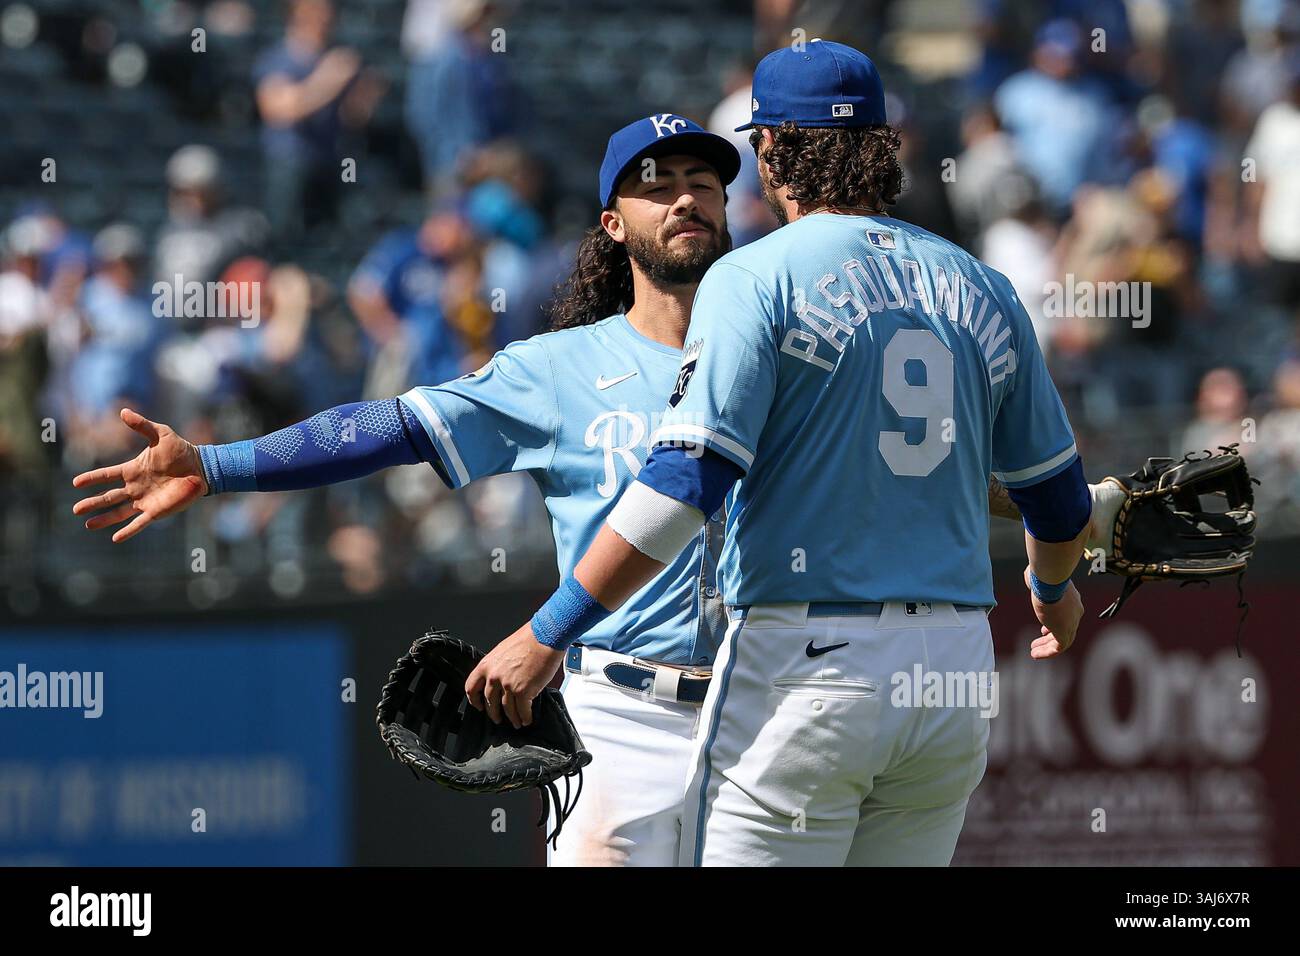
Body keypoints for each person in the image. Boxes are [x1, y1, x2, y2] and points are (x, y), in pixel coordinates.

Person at [467, 41, 1095, 867]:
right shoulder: (981, 284)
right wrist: (1054, 588)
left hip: (812, 663)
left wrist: (548, 631)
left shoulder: (753, 276)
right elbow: (1057, 496)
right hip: (953, 667)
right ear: (885, 146)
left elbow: (686, 482)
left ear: (771, 150)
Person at [71, 114, 742, 867]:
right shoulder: (560, 370)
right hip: (623, 714)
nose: (684, 200)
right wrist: (216, 465)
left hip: (766, 702)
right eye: (657, 187)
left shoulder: (782, 357)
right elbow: (386, 427)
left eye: (702, 184)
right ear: (614, 225)